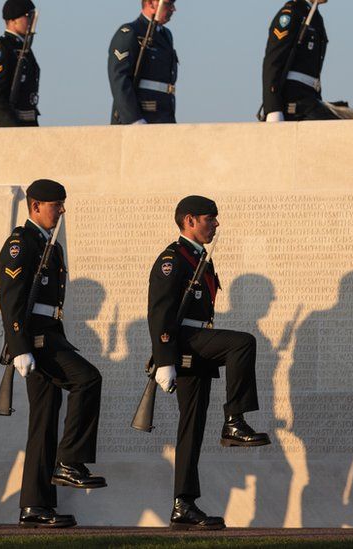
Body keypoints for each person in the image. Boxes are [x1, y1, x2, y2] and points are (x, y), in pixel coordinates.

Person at [147, 196, 270, 530]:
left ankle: (183, 505)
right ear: (189, 220)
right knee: (243, 342)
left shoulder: (200, 258)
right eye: (209, 218)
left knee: (192, 428)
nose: (215, 224)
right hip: (184, 342)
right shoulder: (173, 259)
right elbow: (160, 312)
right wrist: (164, 360)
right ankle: (234, 420)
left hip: (199, 343)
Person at [0, 179, 105, 528]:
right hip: (35, 340)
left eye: (62, 203)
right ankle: (70, 461)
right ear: (35, 206)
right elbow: (11, 298)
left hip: (51, 336)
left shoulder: (51, 247)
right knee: (87, 378)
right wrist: (19, 348)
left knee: (43, 424)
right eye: (55, 204)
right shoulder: (21, 243)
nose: (61, 210)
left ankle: (34, 506)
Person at [262, 0, 337, 122]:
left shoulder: (314, 16)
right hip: (294, 103)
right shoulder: (291, 13)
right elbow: (273, 62)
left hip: (310, 99)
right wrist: (272, 108)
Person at [108, 0, 178, 124]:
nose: (173, 9)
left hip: (164, 117)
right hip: (142, 118)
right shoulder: (130, 32)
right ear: (151, 3)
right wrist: (134, 119)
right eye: (168, 4)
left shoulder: (166, 35)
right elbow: (120, 79)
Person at [0, 0, 41, 128]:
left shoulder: (24, 48)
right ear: (14, 20)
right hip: (6, 125)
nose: (31, 21)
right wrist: (13, 124)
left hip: (27, 123)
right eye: (27, 16)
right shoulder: (0, 48)